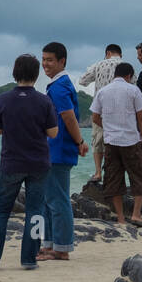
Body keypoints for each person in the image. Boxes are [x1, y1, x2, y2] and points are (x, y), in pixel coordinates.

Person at [0, 55, 59, 270]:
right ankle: (29, 258)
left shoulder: (4, 99)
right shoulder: (44, 101)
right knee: (36, 211)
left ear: (15, 73)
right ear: (36, 74)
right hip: (38, 163)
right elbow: (53, 132)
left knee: (1, 210)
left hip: (11, 162)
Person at [37, 42, 88, 261]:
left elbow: (68, 116)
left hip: (59, 149)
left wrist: (80, 141)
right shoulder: (57, 85)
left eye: (50, 60)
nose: (45, 64)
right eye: (44, 59)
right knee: (50, 199)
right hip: (53, 149)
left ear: (62, 61)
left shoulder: (59, 87)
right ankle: (50, 244)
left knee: (57, 199)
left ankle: (62, 248)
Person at [91, 62, 142, 226]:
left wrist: (109, 127)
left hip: (111, 142)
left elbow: (95, 118)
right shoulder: (133, 90)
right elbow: (141, 118)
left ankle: (121, 218)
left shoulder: (102, 92)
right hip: (131, 140)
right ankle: (136, 215)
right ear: (129, 76)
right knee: (139, 177)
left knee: (114, 179)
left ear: (115, 75)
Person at [78, 44, 123, 185]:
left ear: (108, 53)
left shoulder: (99, 65)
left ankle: (98, 173)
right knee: (117, 144)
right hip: (119, 111)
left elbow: (82, 81)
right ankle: (114, 174)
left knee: (97, 142)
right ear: (120, 54)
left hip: (100, 109)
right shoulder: (126, 66)